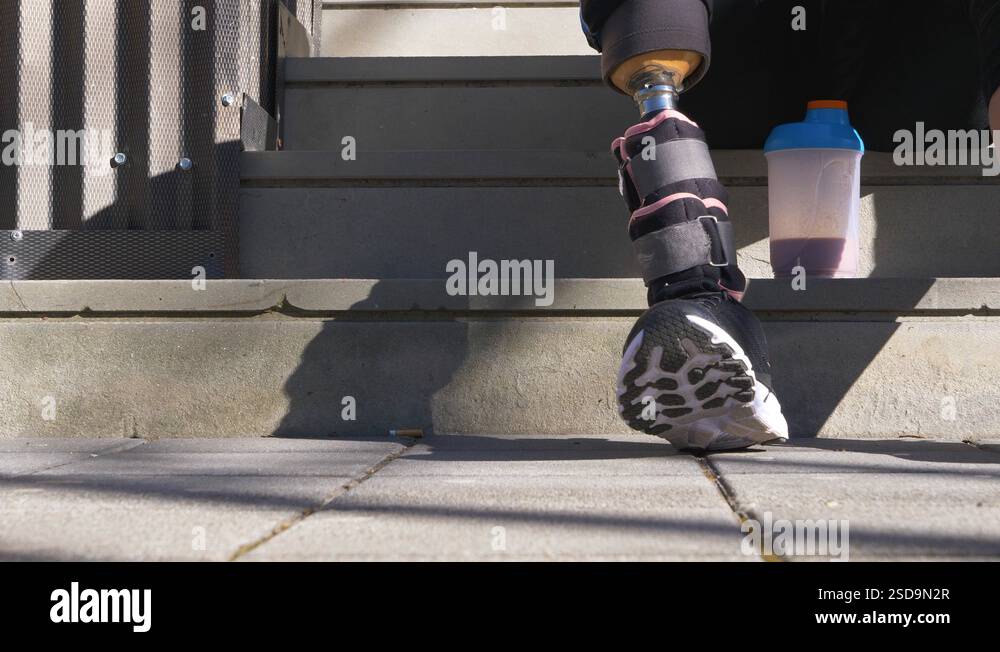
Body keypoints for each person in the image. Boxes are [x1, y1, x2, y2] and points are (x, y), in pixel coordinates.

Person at [580, 0, 1000, 451]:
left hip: (934, 79)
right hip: (732, 64)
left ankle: (696, 296)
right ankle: (695, 295)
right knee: (657, 37)